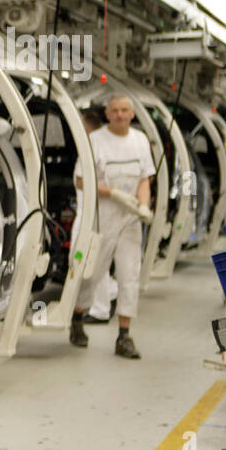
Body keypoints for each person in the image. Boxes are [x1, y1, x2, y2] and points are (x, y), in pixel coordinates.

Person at [71, 94, 155, 358]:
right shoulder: (95, 141)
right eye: (115, 110)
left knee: (129, 276)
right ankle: (77, 317)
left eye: (124, 110)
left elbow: (145, 179)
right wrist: (114, 194)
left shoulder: (140, 141)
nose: (120, 115)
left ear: (132, 114)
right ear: (107, 114)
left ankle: (124, 336)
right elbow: (81, 181)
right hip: (102, 218)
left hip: (129, 220)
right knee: (92, 274)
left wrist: (143, 206)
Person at [77, 106, 116, 324]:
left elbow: (81, 181)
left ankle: (100, 309)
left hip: (91, 216)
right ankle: (106, 297)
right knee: (95, 263)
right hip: (90, 214)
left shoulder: (92, 147)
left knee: (93, 263)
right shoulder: (95, 147)